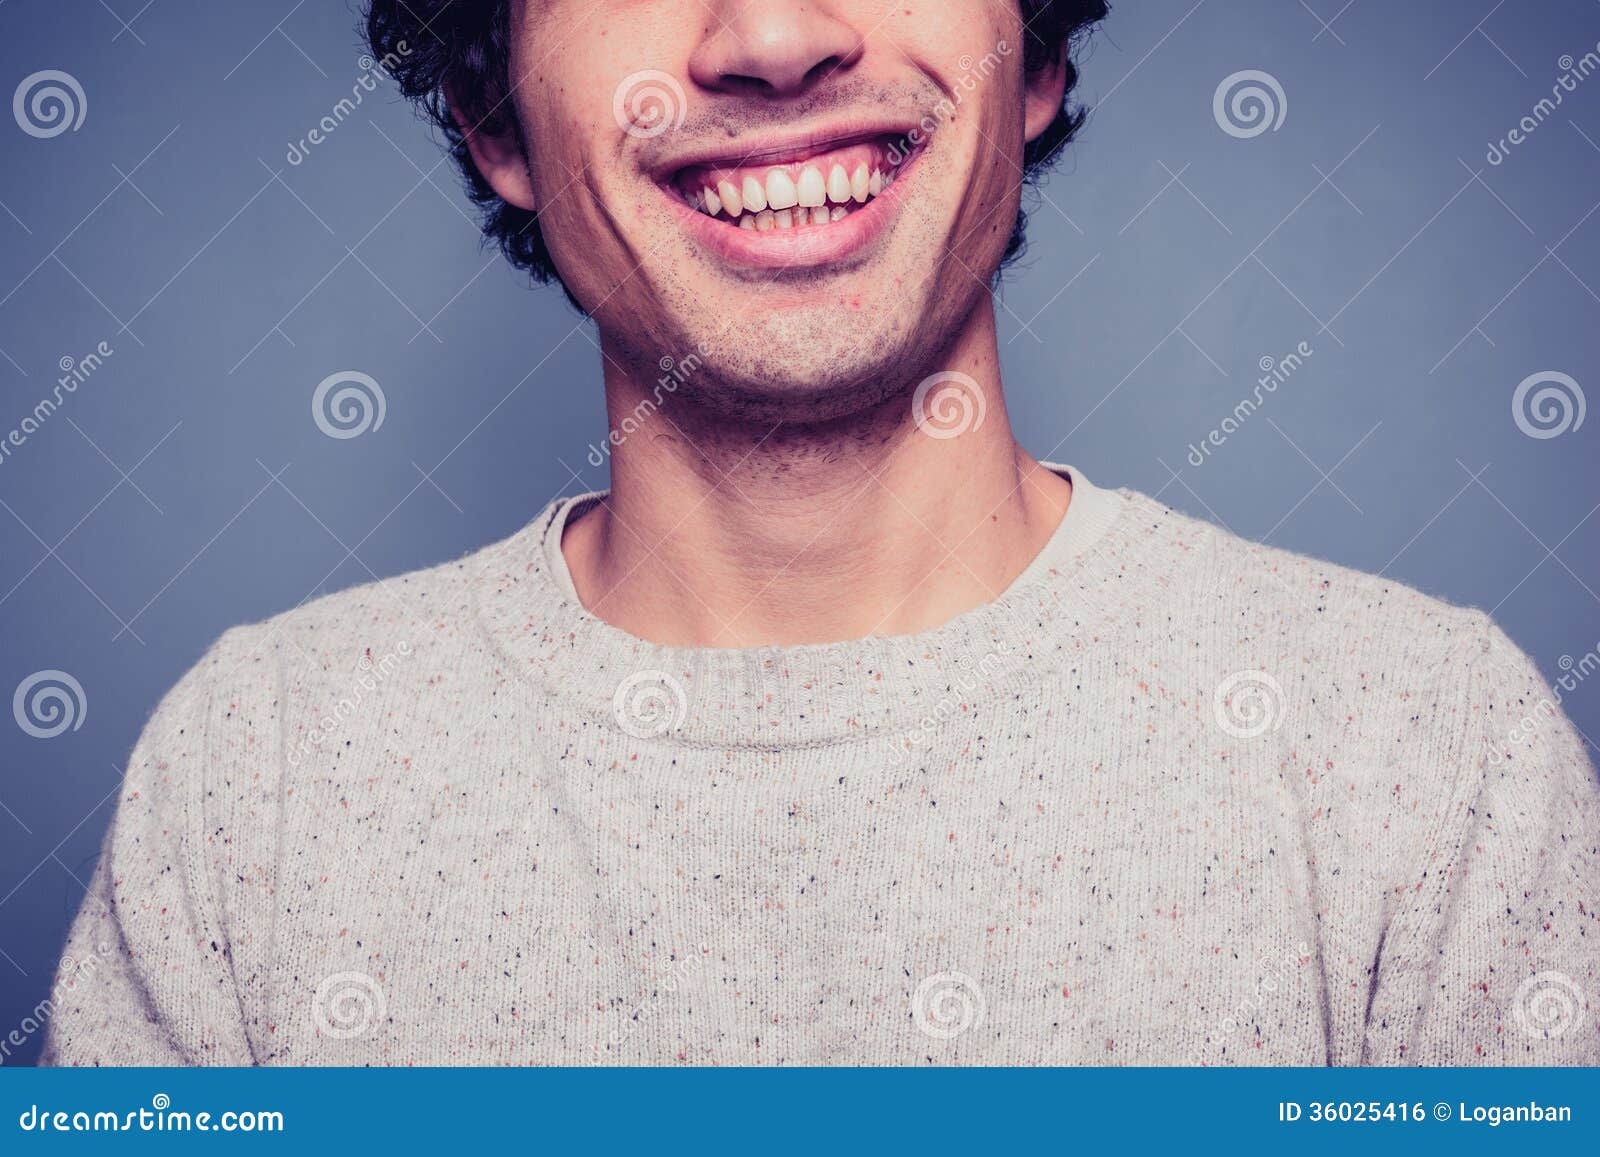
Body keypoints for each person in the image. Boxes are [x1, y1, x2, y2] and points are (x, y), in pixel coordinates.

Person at [45, 0, 1598, 1066]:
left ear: (1034, 49)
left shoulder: (1422, 751)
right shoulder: (254, 781)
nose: (777, 40)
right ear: (488, 109)